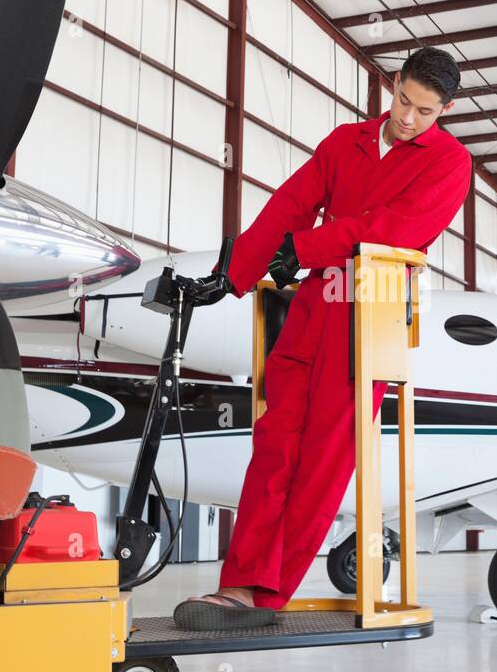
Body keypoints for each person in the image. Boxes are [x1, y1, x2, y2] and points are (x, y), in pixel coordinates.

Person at [173, 47, 472, 631]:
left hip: (372, 307)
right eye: (404, 101)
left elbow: (392, 229)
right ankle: (237, 584)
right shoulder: (346, 141)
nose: (409, 119)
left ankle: (267, 595)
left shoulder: (450, 164)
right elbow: (290, 204)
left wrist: (304, 249)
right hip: (315, 303)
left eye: (425, 112)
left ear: (447, 110)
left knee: (323, 459)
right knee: (274, 441)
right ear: (394, 84)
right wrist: (232, 273)